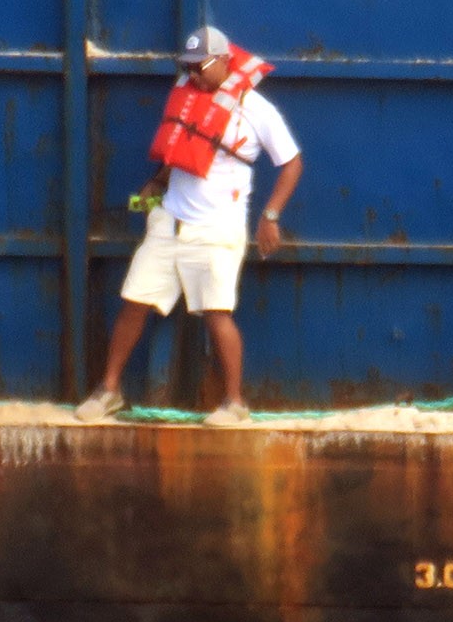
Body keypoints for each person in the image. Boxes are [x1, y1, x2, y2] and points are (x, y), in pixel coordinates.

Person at [75, 26, 304, 429]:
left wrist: (271, 216)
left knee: (217, 313)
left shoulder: (256, 108)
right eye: (188, 68)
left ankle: (235, 402)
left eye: (200, 68)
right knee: (134, 301)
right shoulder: (190, 98)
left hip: (218, 228)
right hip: (169, 221)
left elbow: (291, 162)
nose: (194, 76)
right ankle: (109, 389)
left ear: (224, 61)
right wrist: (155, 185)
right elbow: (185, 149)